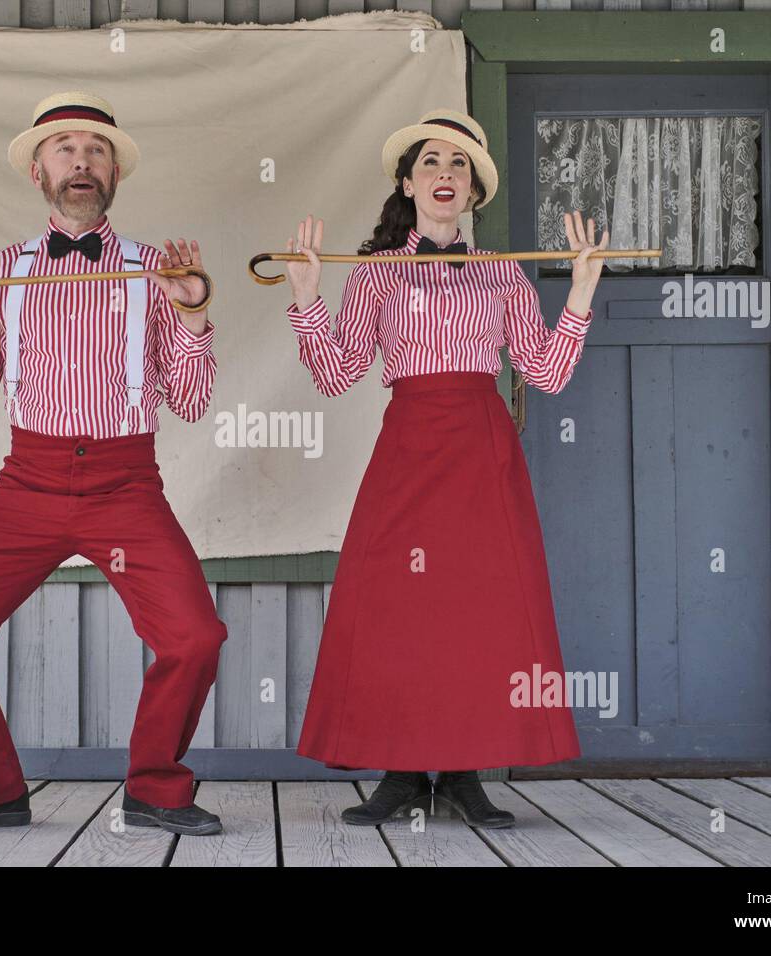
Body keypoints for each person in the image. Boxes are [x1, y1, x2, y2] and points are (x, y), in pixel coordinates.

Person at [0, 91, 227, 836]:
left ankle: (157, 786)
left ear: (114, 173)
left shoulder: (156, 269)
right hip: (27, 482)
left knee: (195, 639)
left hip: (126, 483)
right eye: (65, 149)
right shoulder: (4, 271)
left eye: (96, 151)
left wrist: (190, 317)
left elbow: (189, 400)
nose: (82, 161)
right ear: (38, 171)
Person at [283, 108, 608, 828]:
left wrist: (580, 291)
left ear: (473, 193)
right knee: (397, 610)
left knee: (480, 611)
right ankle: (401, 773)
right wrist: (306, 302)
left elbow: (547, 372)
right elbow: (337, 376)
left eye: (458, 165)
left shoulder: (501, 274)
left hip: (482, 449)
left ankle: (463, 773)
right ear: (409, 181)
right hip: (407, 446)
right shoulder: (374, 274)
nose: (444, 174)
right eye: (431, 161)